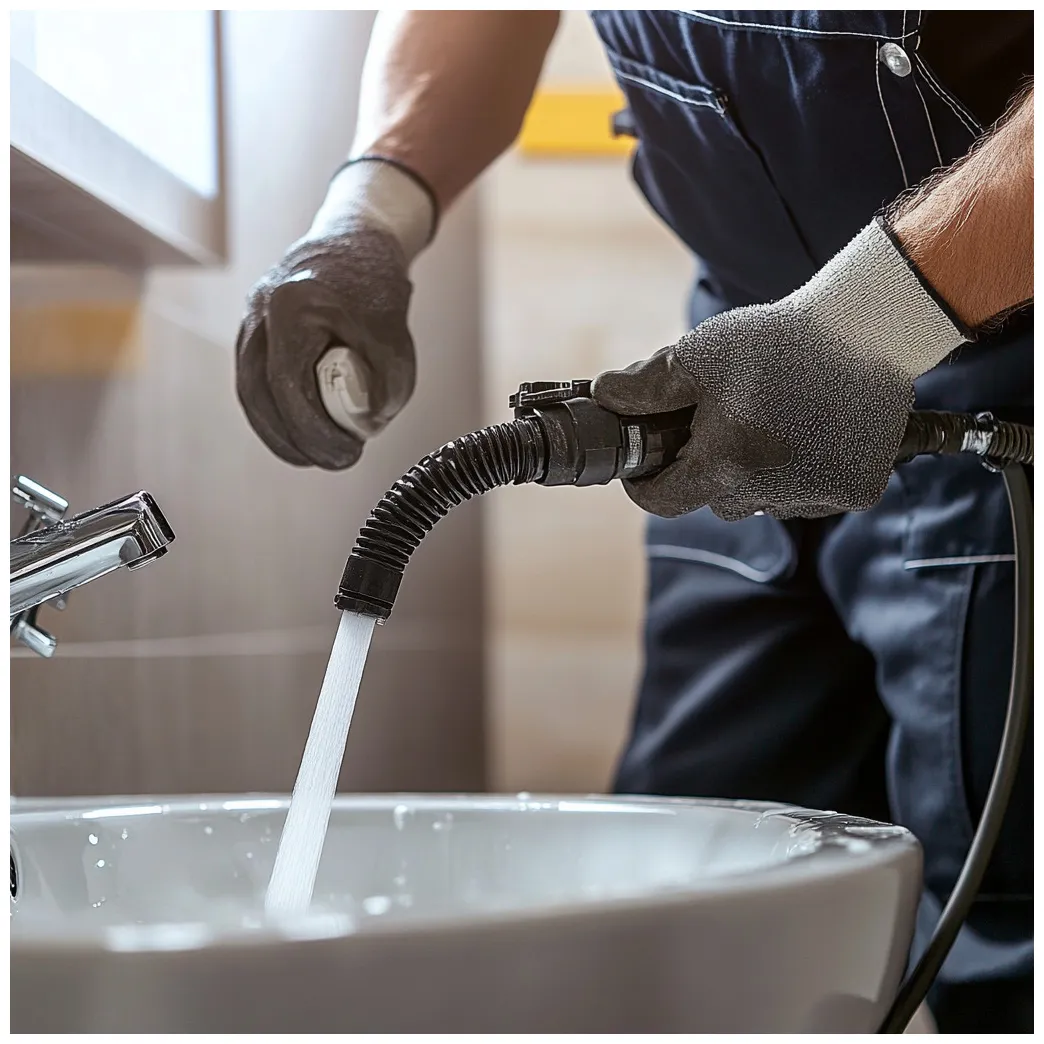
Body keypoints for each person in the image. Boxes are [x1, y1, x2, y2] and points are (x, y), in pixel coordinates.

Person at [235, 11, 1033, 1032]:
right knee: (676, 917)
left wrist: (869, 323)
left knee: (1008, 941)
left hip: (1006, 380)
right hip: (736, 379)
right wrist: (368, 211)